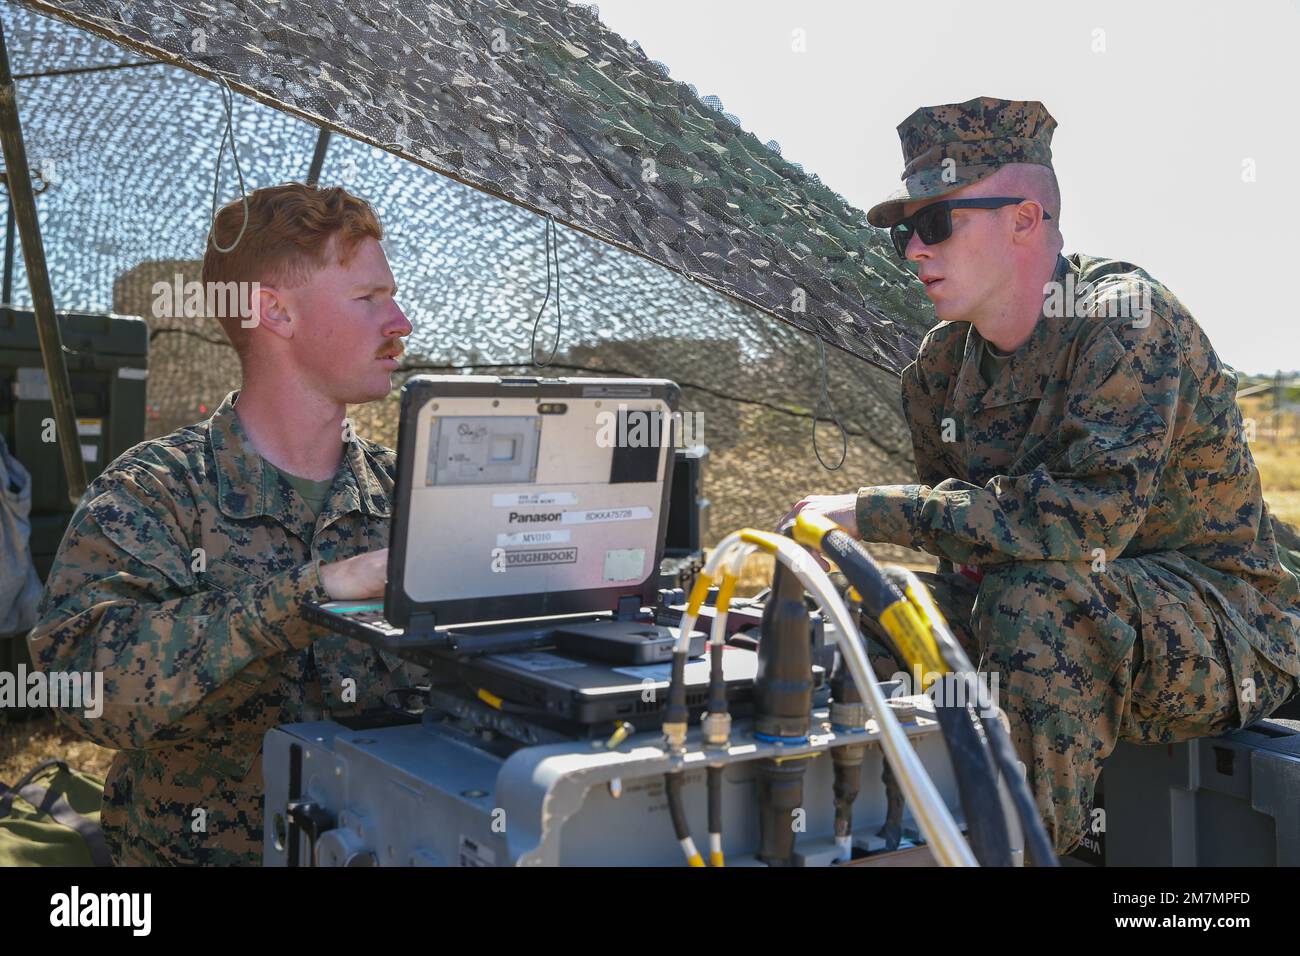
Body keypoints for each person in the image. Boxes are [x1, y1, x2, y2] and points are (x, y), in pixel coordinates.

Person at [782, 96, 1300, 857]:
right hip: (1078, 611)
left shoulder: (1123, 318)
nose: (915, 252)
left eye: (935, 224)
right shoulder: (937, 372)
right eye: (905, 233)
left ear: (1025, 219)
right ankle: (851, 835)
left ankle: (1028, 850)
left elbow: (1087, 522)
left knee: (1038, 600)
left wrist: (871, 510)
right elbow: (968, 553)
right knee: (863, 609)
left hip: (1229, 624)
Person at [28, 182, 412, 865]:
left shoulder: (408, 495)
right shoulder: (154, 493)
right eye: (369, 298)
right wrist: (311, 593)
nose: (401, 320)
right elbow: (87, 693)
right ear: (277, 314)